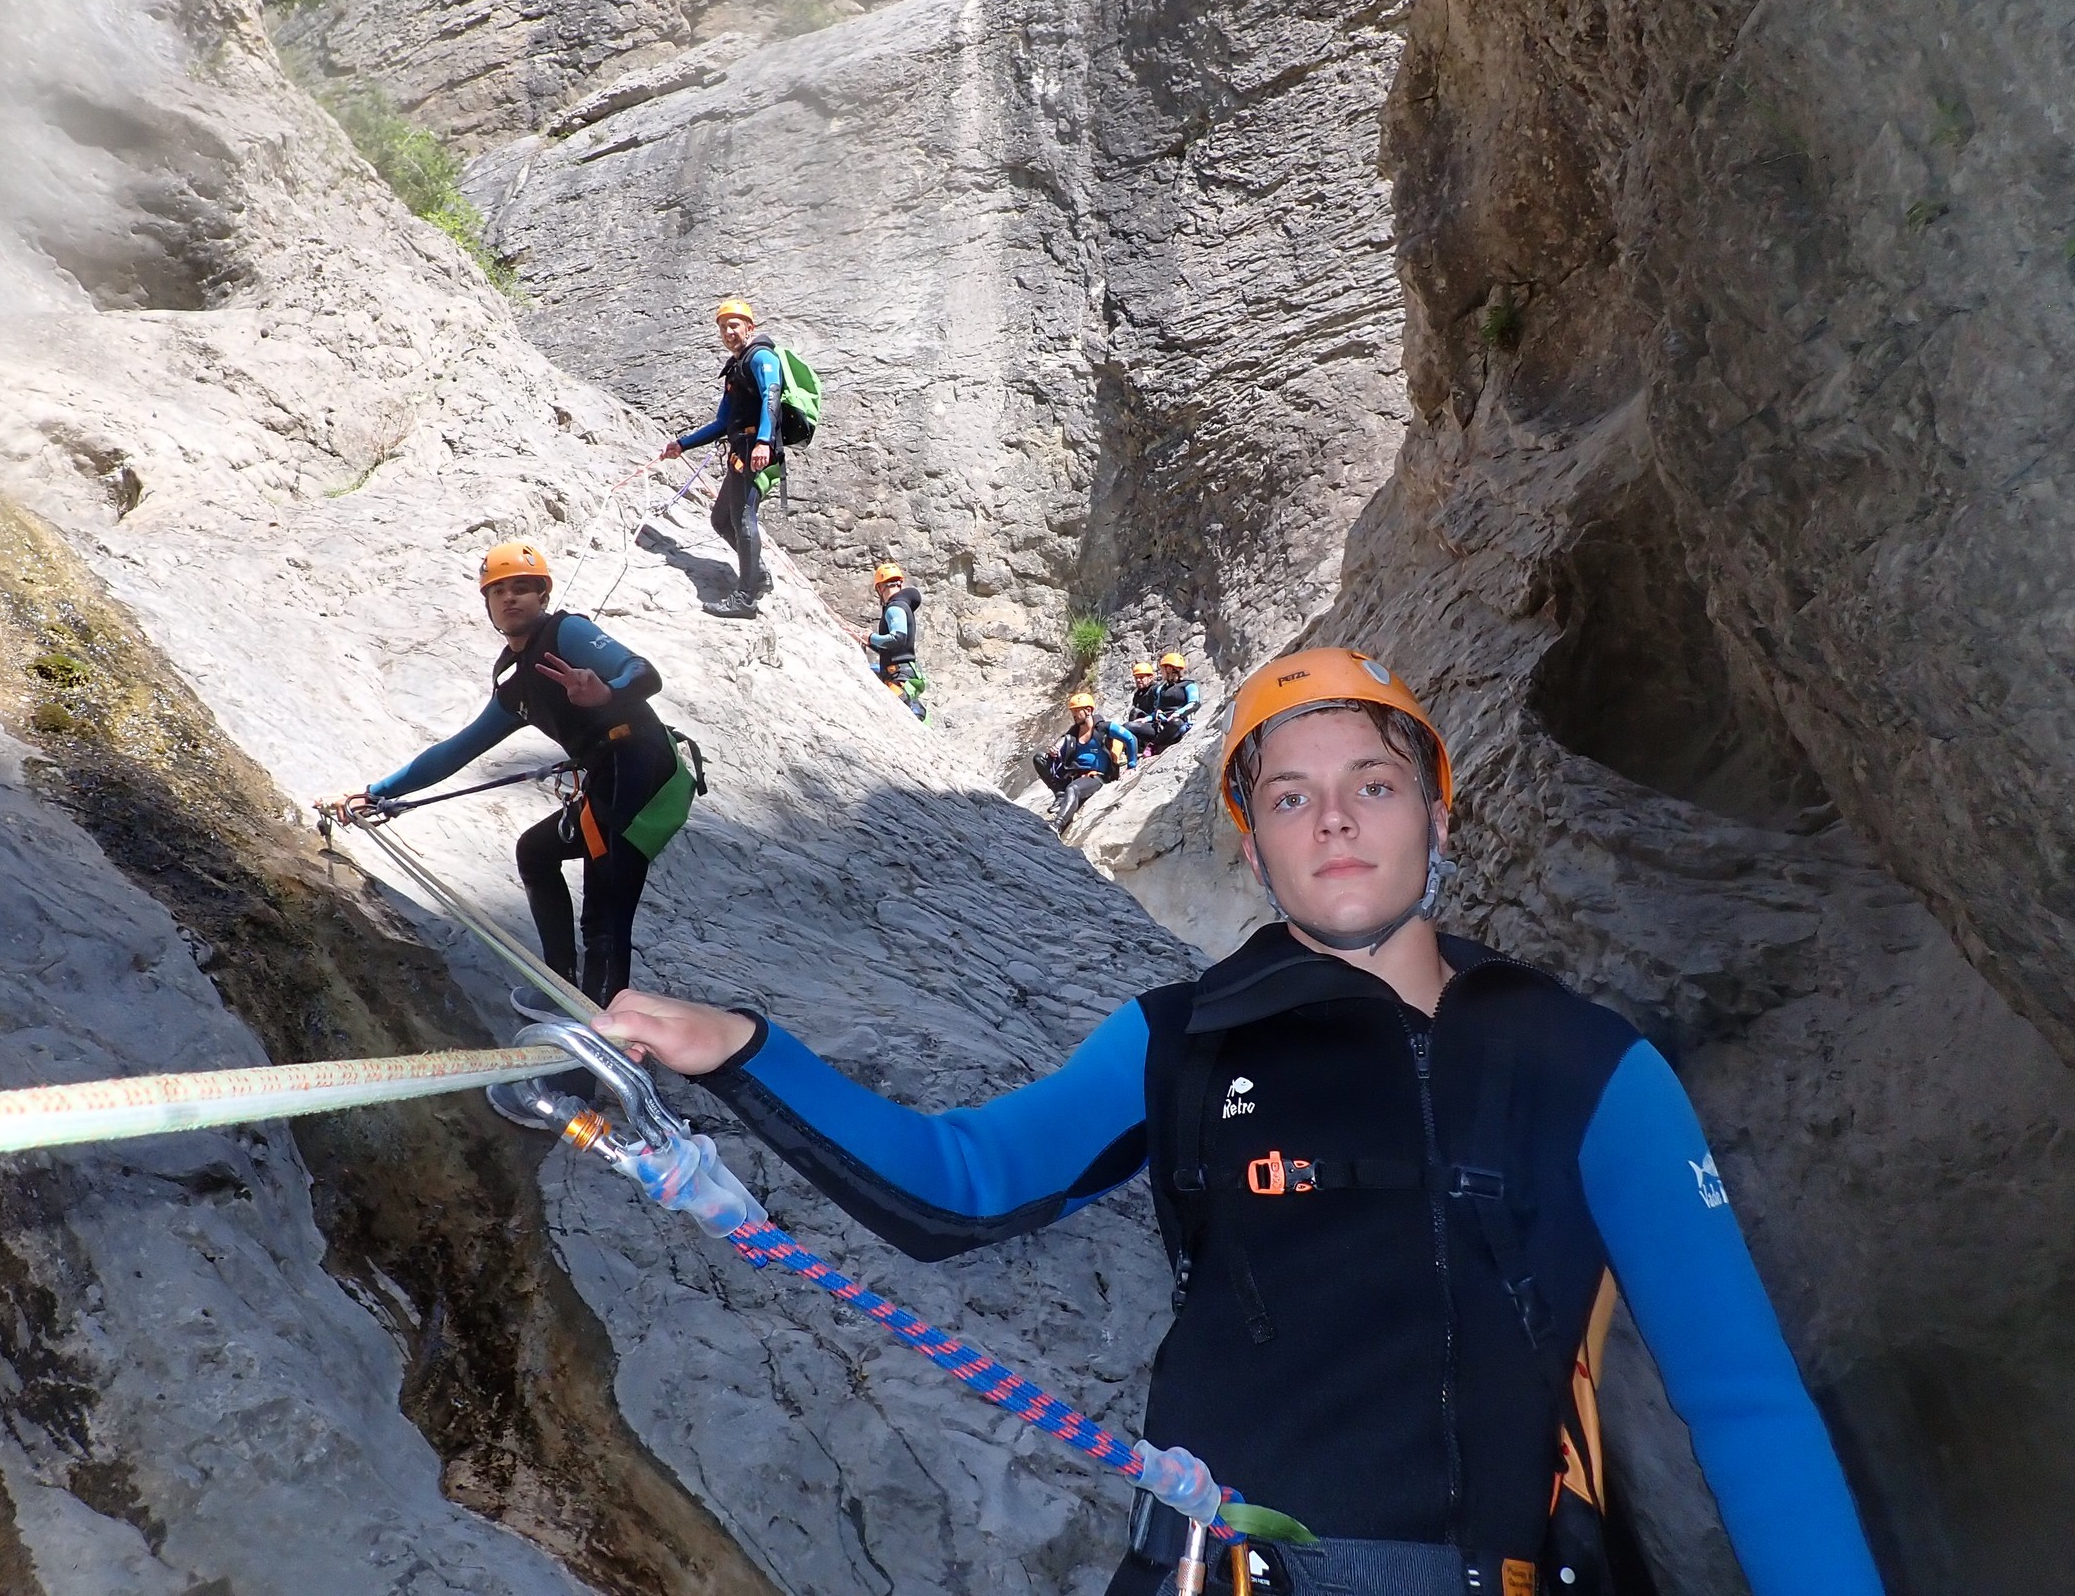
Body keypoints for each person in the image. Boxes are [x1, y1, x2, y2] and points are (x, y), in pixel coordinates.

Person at [596, 648, 1885, 1596]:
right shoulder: (1180, 1040)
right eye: (1288, 796)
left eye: (1372, 784)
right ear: (1253, 847)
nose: (1331, 817)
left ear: (1438, 812)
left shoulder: (1590, 1066)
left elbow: (1746, 1405)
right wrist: (738, 1050)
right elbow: (964, 1185)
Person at [327, 539, 699, 1009]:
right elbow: (455, 751)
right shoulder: (516, 681)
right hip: (614, 779)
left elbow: (644, 674)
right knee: (536, 852)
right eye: (498, 591)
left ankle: (592, 1060)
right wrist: (376, 793)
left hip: (642, 777)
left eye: (522, 588)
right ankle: (558, 984)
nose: (509, 598)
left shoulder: (568, 633)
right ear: (487, 604)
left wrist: (607, 692)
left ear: (543, 596)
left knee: (604, 921)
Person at [664, 298, 783, 619]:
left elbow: (772, 394)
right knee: (720, 520)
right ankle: (756, 574)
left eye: (734, 324)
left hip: (757, 450)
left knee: (744, 517)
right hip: (741, 451)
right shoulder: (737, 367)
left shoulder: (761, 357)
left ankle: (745, 599)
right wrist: (682, 444)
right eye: (723, 326)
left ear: (750, 327)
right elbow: (721, 422)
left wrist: (763, 441)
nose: (728, 331)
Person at [1030, 692, 1142, 833]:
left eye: (1077, 711)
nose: (1074, 715)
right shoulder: (1073, 731)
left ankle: (1057, 825)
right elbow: (1062, 744)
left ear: (1088, 710)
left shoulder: (1103, 728)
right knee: (1040, 758)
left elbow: (1130, 738)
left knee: (1073, 789)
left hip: (1096, 777)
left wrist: (1131, 765)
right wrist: (1054, 750)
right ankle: (1060, 794)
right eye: (1073, 712)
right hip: (1074, 774)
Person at [866, 562, 927, 720]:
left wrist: (871, 637)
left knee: (897, 714)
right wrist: (869, 641)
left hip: (899, 675)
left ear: (880, 588)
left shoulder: (894, 607)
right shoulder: (903, 606)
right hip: (904, 672)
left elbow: (897, 639)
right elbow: (895, 649)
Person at [1129, 652, 1202, 756]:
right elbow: (1157, 711)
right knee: (1129, 726)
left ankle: (1154, 745)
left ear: (1169, 669)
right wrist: (1146, 719)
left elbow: (1194, 703)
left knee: (1176, 722)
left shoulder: (1188, 685)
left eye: (1162, 669)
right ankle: (1131, 754)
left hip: (1177, 726)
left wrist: (1178, 713)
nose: (1161, 672)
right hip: (1160, 726)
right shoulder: (1162, 689)